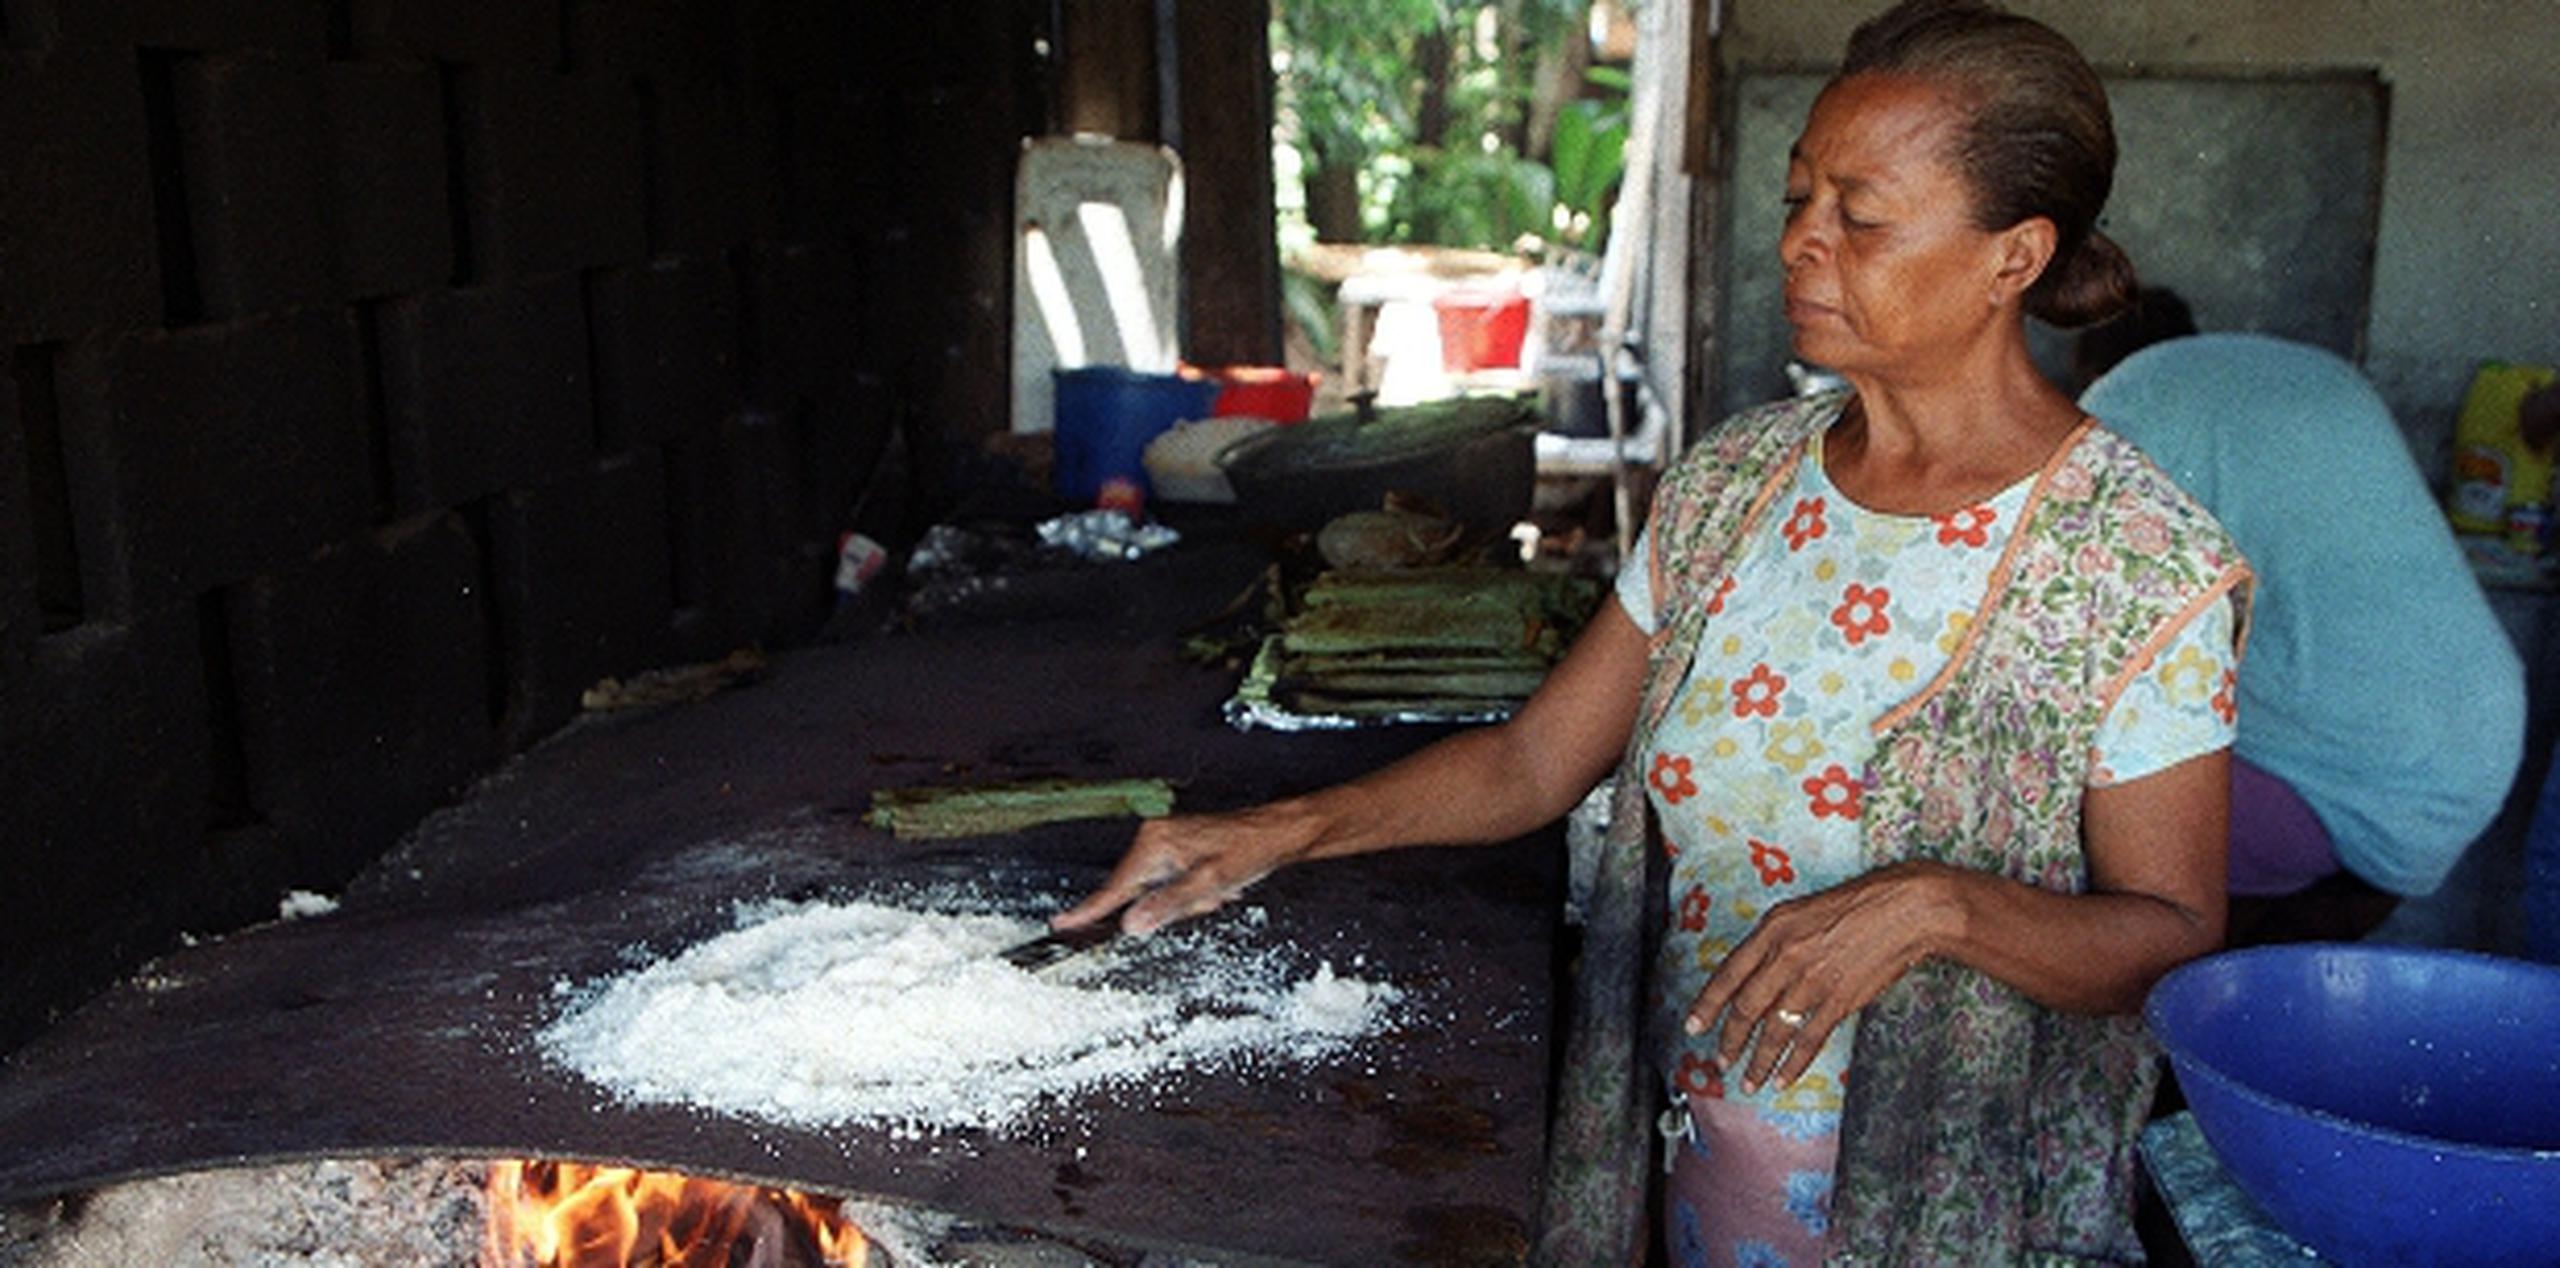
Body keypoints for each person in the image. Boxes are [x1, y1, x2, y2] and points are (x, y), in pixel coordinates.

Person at [1061, 2, 2249, 1262]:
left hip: (1958, 1209)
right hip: (1704, 1167)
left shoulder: (2132, 559)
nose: (1798, 243)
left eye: (1859, 217)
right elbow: (1531, 762)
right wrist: (1273, 832)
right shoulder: (1735, 484)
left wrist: (1937, 907)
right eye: (1797, 199)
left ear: (2014, 256)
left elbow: (2171, 931)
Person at [2079, 327, 2526, 942]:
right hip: (2477, 734)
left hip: (2343, 767)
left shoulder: (2126, 408)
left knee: (2098, 851)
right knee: (2271, 973)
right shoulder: (2289, 375)